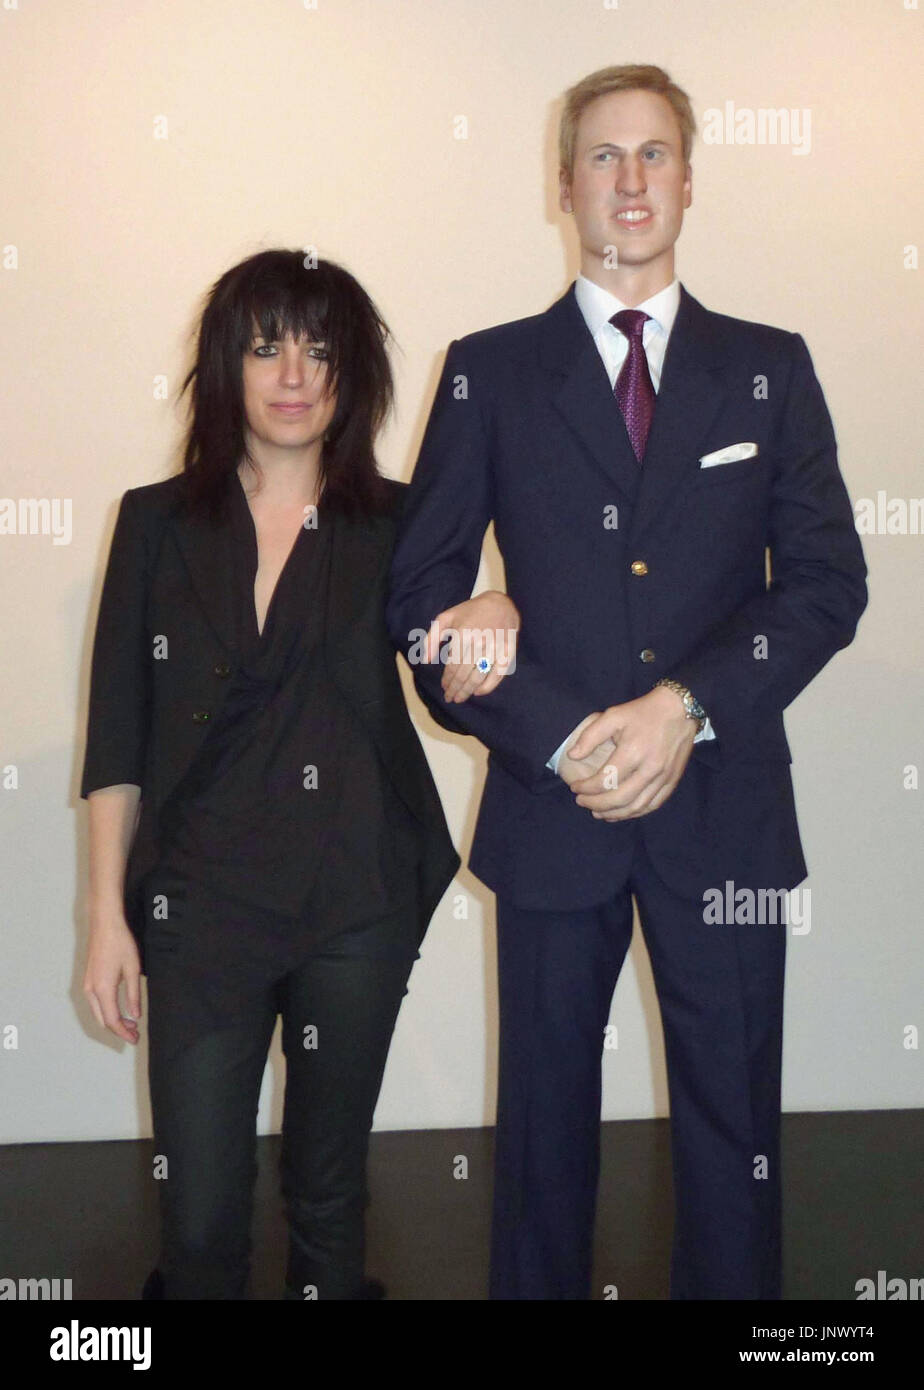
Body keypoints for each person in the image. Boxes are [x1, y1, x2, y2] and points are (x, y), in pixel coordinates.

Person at [386, 65, 868, 1300]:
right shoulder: (485, 371)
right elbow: (419, 603)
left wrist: (682, 707)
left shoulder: (772, 364)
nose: (632, 179)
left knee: (735, 1140)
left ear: (692, 179)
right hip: (555, 817)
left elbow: (825, 582)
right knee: (542, 1145)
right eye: (605, 156)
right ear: (565, 185)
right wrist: (561, 736)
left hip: (728, 811)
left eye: (656, 154)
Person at [79, 249, 518, 1300]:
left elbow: (451, 661)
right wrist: (106, 914)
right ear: (227, 364)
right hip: (200, 911)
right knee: (198, 1215)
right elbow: (117, 738)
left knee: (328, 1195)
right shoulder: (155, 521)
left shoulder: (403, 521)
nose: (292, 372)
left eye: (320, 350)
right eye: (267, 345)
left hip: (355, 905)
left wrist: (499, 603)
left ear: (350, 375)